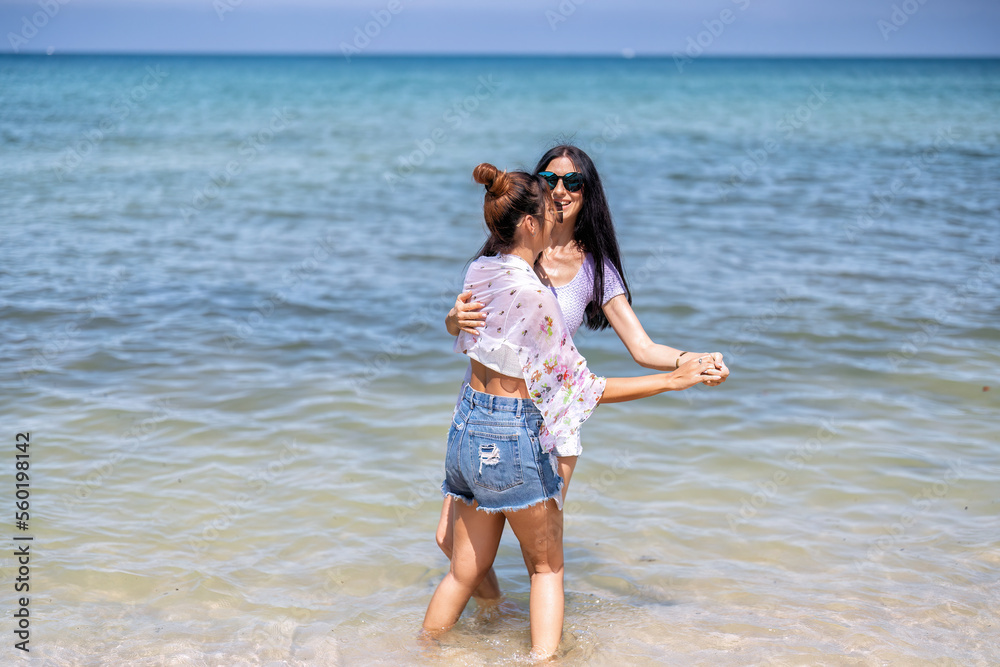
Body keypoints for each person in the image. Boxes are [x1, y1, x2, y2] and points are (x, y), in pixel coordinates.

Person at [422, 163, 724, 659]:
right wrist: (673, 382)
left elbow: (640, 345)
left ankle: (419, 651)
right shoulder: (538, 296)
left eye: (572, 183)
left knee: (462, 569)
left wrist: (686, 360)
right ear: (531, 223)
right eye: (548, 189)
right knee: (546, 568)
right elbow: (578, 387)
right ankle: (544, 657)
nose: (559, 195)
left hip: (468, 425)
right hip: (517, 430)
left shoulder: (482, 269)